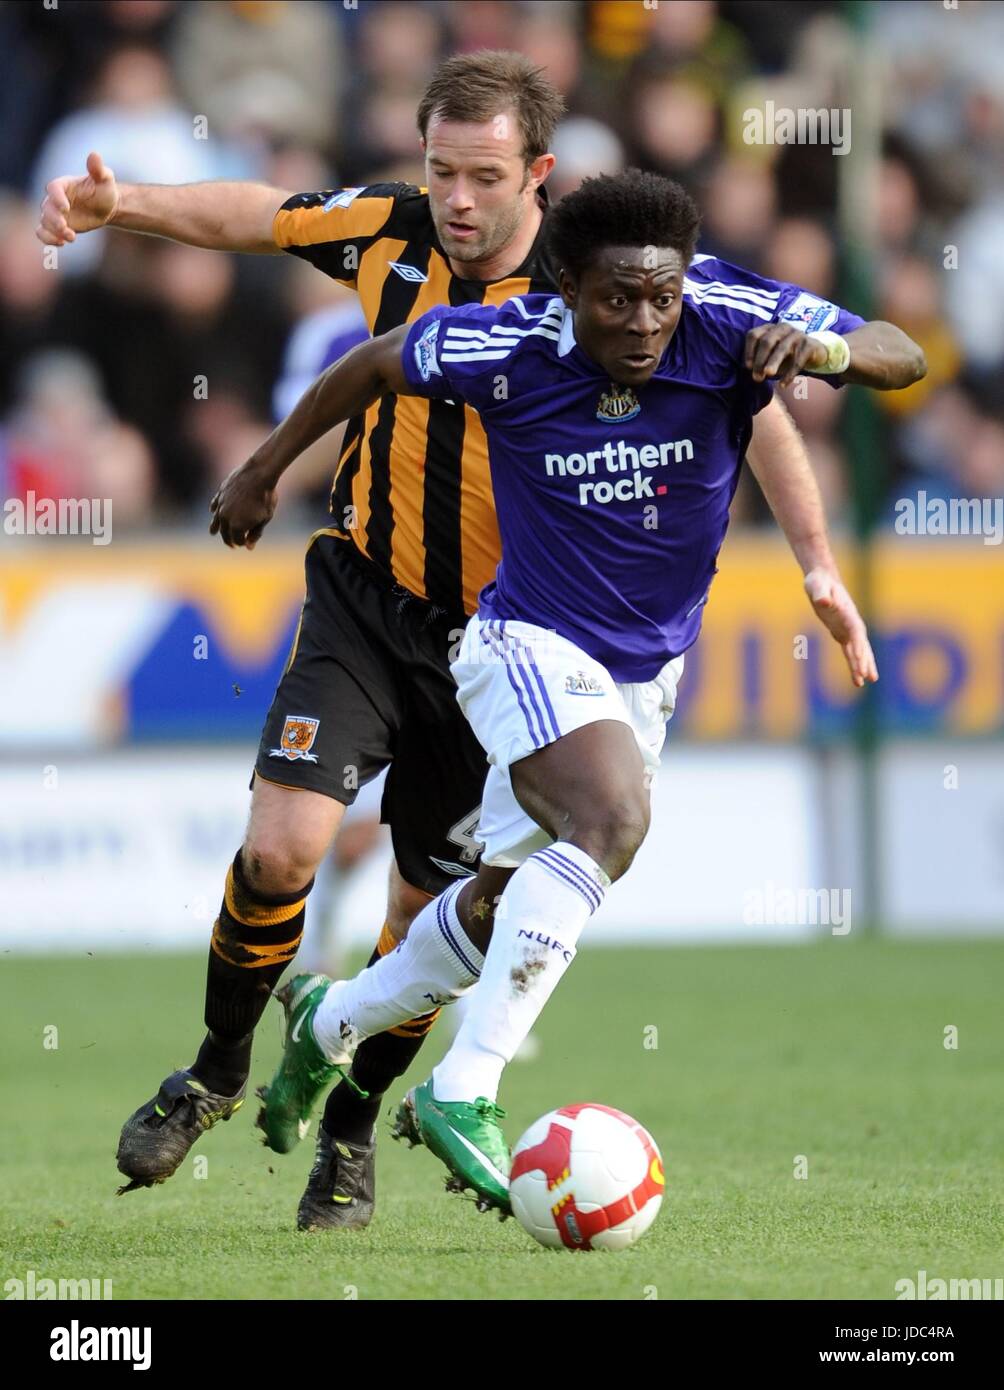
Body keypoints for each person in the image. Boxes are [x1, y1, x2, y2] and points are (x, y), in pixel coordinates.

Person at [37, 52, 875, 1230]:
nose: (457, 201)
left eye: (483, 177)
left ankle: (346, 1129)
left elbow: (758, 412)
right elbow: (263, 218)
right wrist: (124, 203)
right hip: (365, 595)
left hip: (507, 637)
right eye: (441, 172)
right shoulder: (392, 233)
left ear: (537, 173)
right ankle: (217, 1067)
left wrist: (814, 563)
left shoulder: (606, 283)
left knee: (425, 911)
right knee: (281, 852)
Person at [220, 169, 925, 1215]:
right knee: (609, 818)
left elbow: (898, 353)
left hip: (640, 675)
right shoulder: (505, 345)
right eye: (615, 299)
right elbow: (369, 364)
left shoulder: (726, 315)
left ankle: (326, 1022)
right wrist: (265, 468)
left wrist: (821, 352)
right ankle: (464, 1086)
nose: (643, 321)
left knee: (507, 899)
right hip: (520, 644)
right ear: (563, 286)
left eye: (660, 297)